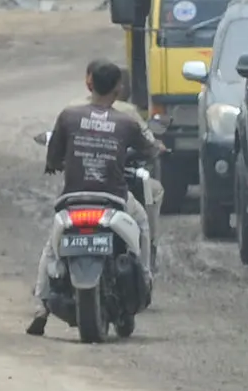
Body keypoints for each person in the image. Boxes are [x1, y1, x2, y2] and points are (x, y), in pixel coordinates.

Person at [32, 61, 161, 337]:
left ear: (90, 84)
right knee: (142, 222)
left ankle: (41, 307)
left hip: (73, 198)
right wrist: (156, 148)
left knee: (51, 246)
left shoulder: (68, 116)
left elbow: (53, 157)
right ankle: (145, 276)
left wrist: (57, 164)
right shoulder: (126, 122)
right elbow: (149, 150)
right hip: (113, 198)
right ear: (118, 88)